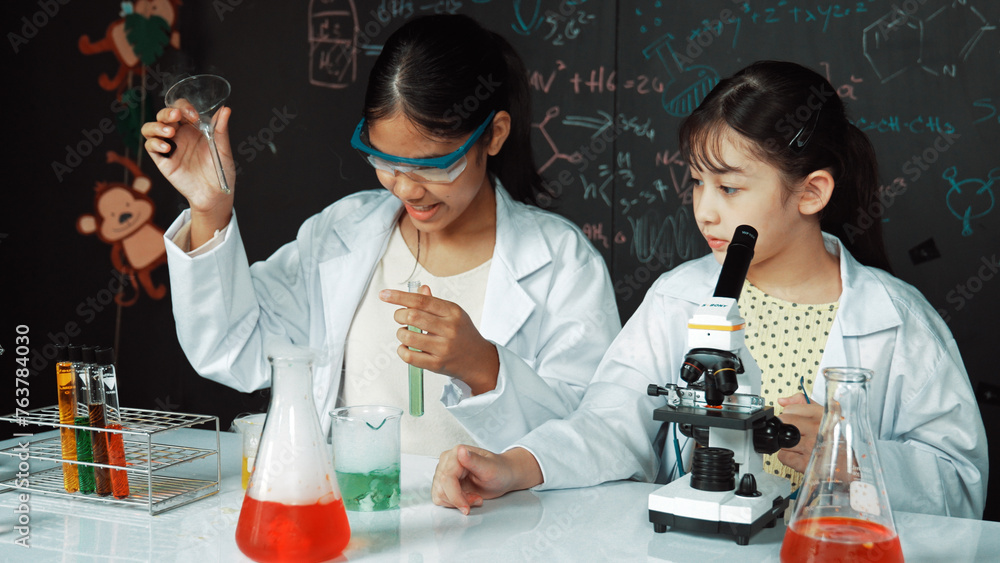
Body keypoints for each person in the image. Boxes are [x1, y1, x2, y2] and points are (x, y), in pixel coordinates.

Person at [431, 60, 988, 519]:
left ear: (812, 192)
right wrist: (516, 465)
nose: (705, 209)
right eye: (697, 181)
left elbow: (960, 484)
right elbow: (609, 423)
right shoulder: (679, 297)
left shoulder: (896, 319)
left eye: (730, 186)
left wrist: (847, 455)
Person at [140, 14, 621, 456]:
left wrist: (485, 368)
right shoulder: (342, 234)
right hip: (359, 526)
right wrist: (210, 206)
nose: (407, 187)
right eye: (385, 161)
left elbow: (597, 438)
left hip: (498, 537)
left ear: (494, 135)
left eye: (435, 165)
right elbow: (234, 348)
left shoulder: (561, 263)